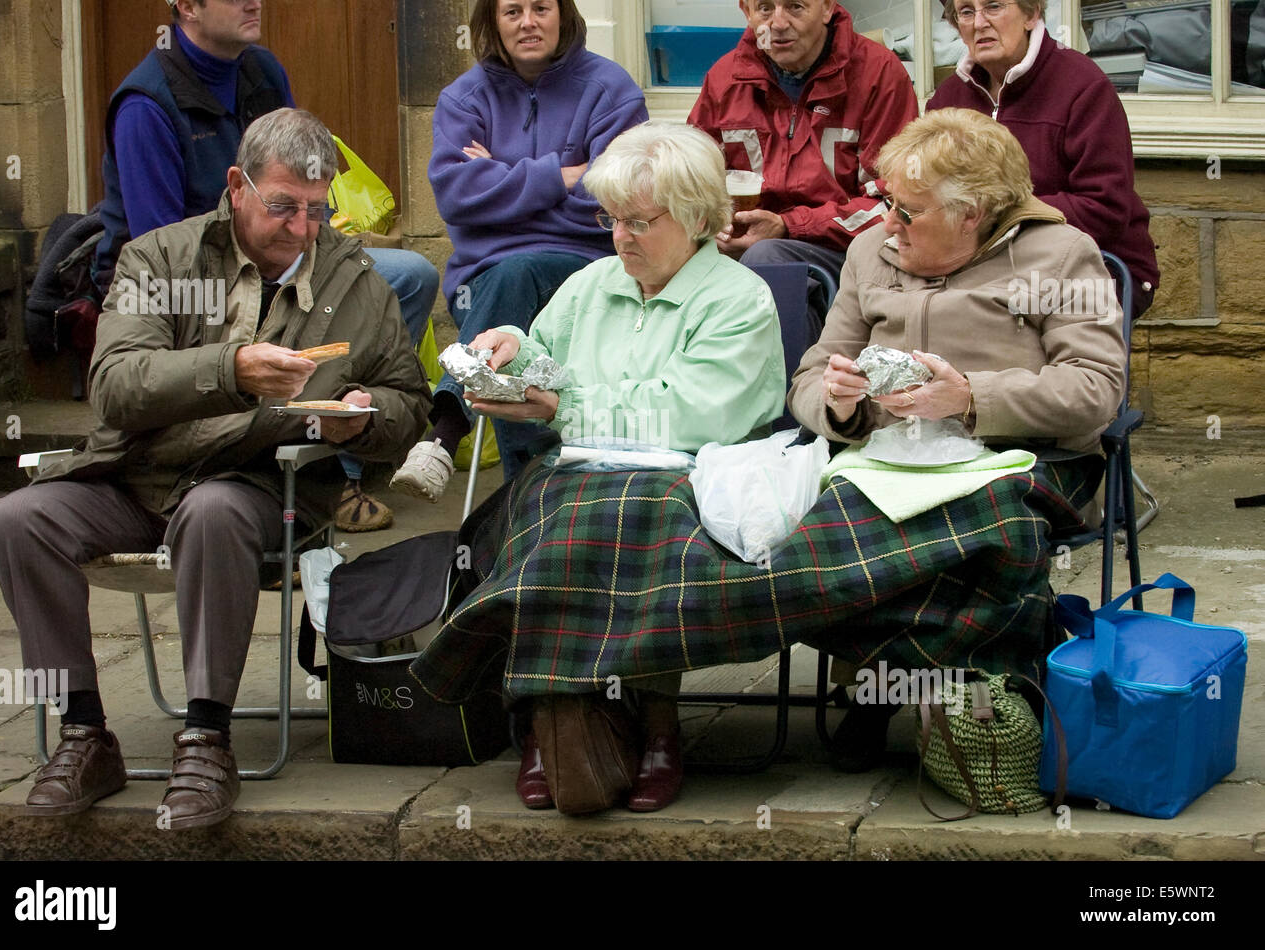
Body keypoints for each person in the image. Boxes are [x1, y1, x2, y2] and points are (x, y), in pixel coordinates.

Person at [0, 108, 432, 829]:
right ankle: (82, 731)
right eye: (282, 206)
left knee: (214, 511)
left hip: (260, 483)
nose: (301, 229)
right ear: (237, 185)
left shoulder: (353, 280)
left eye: (317, 211)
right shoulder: (160, 258)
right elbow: (117, 385)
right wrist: (232, 369)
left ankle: (206, 737)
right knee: (19, 518)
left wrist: (365, 411)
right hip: (135, 474)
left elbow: (408, 400)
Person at [412, 121, 787, 813]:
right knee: (539, 510)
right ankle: (550, 720)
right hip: (580, 475)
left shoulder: (738, 298)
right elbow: (547, 355)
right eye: (611, 220)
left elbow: (693, 412)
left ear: (700, 216)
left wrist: (563, 403)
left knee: (636, 513)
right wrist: (509, 350)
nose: (621, 238)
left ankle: (656, 724)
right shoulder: (591, 285)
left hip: (691, 478)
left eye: (640, 222)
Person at [787, 107, 1128, 768]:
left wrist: (973, 397)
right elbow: (809, 375)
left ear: (970, 213)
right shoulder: (868, 252)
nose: (887, 221)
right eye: (887, 201)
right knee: (812, 532)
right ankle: (911, 680)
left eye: (907, 211)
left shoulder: (1061, 256)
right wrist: (839, 404)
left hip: (1023, 455)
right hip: (891, 453)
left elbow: (1094, 389)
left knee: (976, 524)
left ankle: (909, 687)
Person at [96, 0, 438, 530]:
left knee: (406, 274)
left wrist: (310, 225)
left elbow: (301, 168)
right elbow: (160, 241)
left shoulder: (262, 69)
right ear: (186, 6)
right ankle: (272, 460)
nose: (255, 0)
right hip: (198, 278)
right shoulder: (146, 107)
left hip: (276, 248)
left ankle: (336, 451)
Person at [389, 0, 647, 503]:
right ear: (493, 23)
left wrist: (504, 176)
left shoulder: (611, 90)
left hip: (586, 266)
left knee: (520, 272)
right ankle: (535, 507)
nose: (528, 22)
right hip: (483, 276)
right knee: (512, 283)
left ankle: (445, 430)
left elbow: (614, 199)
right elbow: (457, 198)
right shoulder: (463, 99)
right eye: (512, 11)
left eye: (540, 7)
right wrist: (565, 175)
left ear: (563, 14)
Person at [688, 0, 918, 327]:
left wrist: (789, 226)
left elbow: (895, 202)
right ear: (746, 11)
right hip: (739, 247)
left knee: (769, 260)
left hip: (846, 249)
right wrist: (715, 224)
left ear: (826, 8)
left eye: (795, 7)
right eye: (765, 8)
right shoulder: (725, 77)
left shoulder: (879, 74)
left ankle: (782, 379)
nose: (778, 23)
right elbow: (690, 179)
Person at [927, 0, 1160, 315]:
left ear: (1031, 14)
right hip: (980, 263)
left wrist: (1001, 216)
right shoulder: (948, 99)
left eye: (993, 7)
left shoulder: (1082, 86)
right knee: (913, 302)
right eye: (966, 11)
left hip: (1095, 260)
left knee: (993, 316)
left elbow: (1105, 209)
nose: (979, 22)